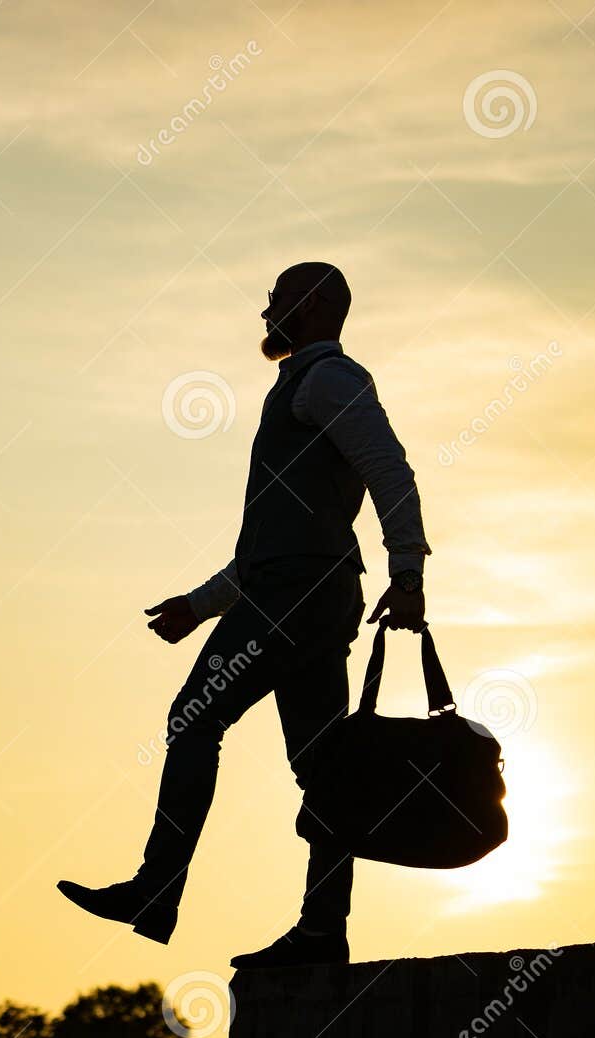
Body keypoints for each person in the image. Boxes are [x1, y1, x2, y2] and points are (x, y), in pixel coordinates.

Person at [58, 262, 430, 969]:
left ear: (315, 305)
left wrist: (408, 571)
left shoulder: (329, 380)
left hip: (292, 601)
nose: (266, 312)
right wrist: (199, 607)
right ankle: (322, 932)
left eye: (279, 300)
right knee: (323, 772)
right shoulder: (298, 388)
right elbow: (271, 543)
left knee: (194, 718)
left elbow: (392, 472)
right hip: (303, 595)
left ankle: (156, 889)